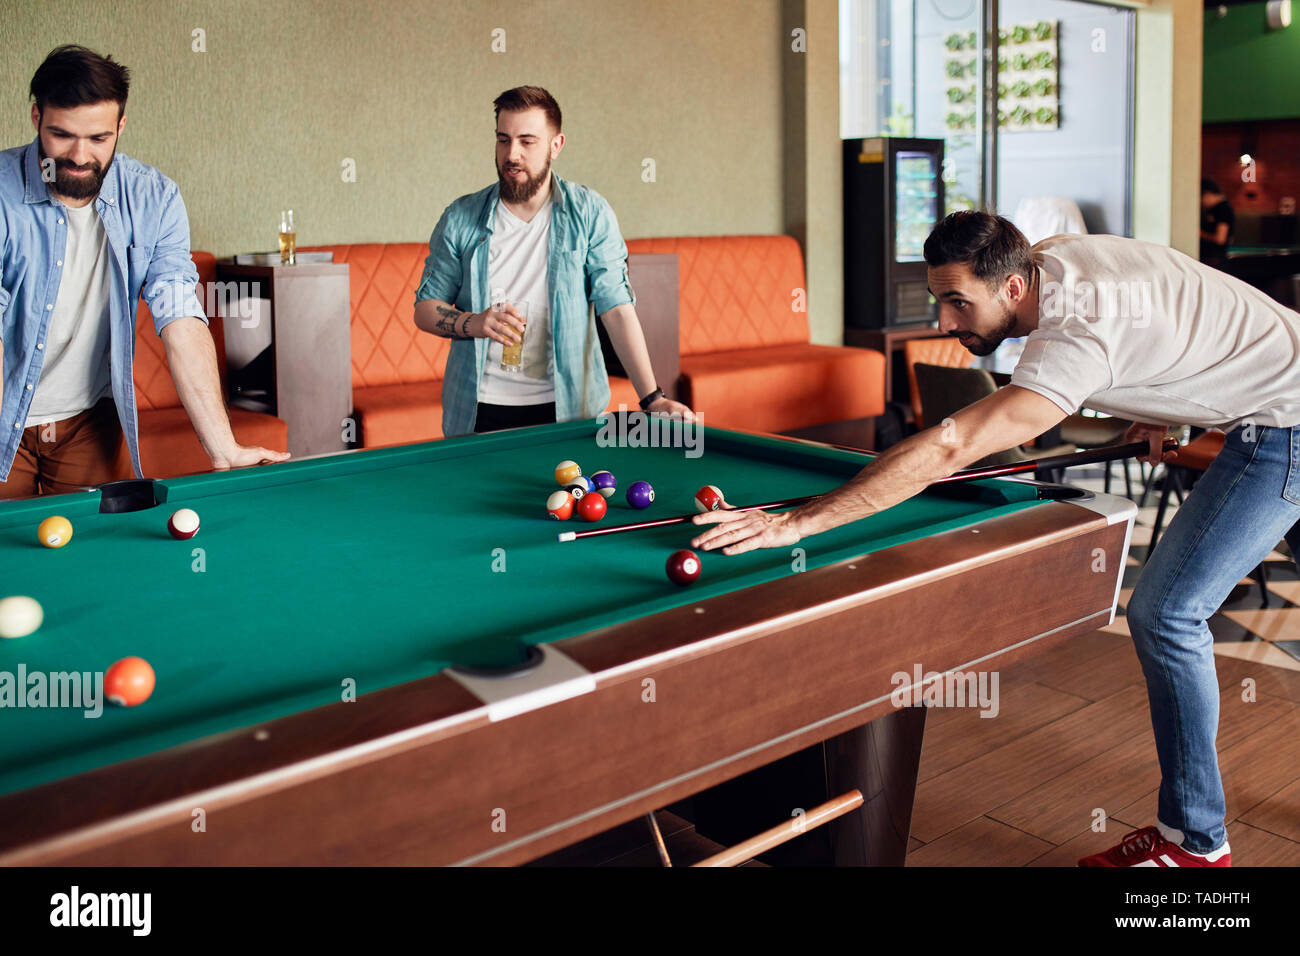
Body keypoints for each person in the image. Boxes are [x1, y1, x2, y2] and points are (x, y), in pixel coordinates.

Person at [692, 210, 1300, 867]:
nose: (946, 324)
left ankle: (1197, 844)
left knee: (1166, 614)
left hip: (1285, 423)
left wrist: (797, 523)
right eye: (939, 301)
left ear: (1014, 289)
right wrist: (1158, 411)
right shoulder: (1053, 257)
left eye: (958, 303)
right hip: (1276, 398)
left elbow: (955, 442)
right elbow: (1164, 321)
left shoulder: (1073, 334)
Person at [0, 45, 287, 499]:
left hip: (87, 423)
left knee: (91, 560)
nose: (78, 156)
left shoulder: (155, 199)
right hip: (3, 415)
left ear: (120, 126)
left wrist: (224, 448)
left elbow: (180, 318)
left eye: (98, 138)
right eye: (61, 135)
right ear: (36, 118)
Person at [413, 86, 693, 435]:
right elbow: (425, 308)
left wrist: (652, 399)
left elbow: (616, 308)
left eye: (527, 141)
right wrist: (475, 322)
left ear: (555, 145)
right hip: (477, 411)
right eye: (503, 140)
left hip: (568, 411)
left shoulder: (589, 213)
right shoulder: (460, 218)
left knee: (571, 492)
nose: (511, 154)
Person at [1199, 178, 1234, 270]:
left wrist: (1199, 233)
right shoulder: (1215, 210)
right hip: (1213, 259)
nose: (1201, 202)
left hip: (1215, 260)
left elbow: (1220, 238)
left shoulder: (1223, 209)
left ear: (1207, 194)